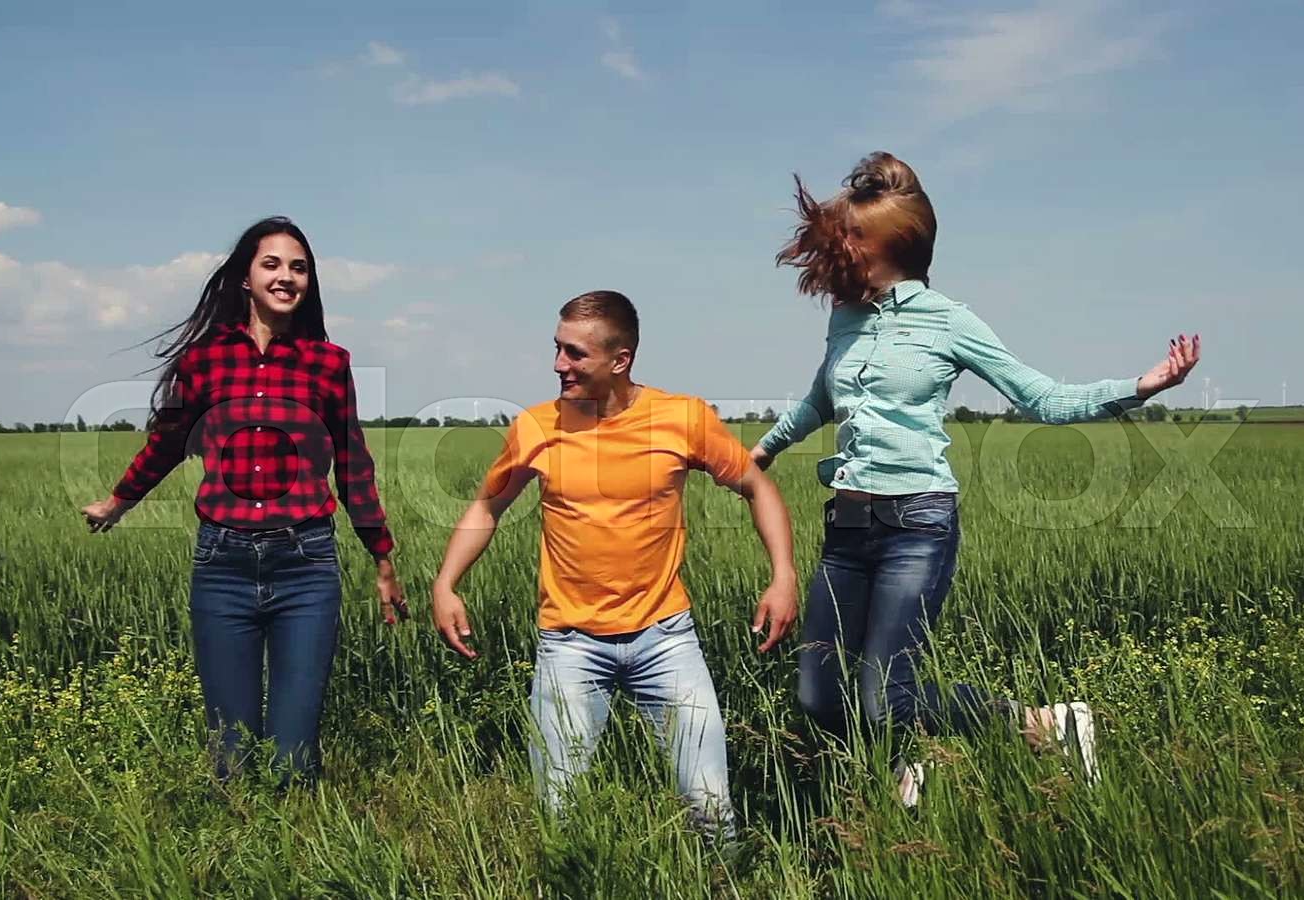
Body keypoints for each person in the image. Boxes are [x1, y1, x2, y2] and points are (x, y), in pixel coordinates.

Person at [752, 152, 1201, 802]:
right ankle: (906, 763)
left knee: (885, 698)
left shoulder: (949, 321)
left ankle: (1040, 724)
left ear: (890, 245)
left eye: (853, 237)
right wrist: (759, 453)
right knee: (819, 696)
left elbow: (1042, 398)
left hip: (917, 526)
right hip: (847, 529)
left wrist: (1141, 386)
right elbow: (819, 400)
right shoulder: (844, 319)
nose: (839, 247)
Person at [429, 290, 798, 838]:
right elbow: (488, 505)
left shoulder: (682, 418)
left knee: (712, 812)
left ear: (620, 360)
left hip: (666, 638)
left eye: (575, 354)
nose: (558, 365)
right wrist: (445, 583)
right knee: (562, 818)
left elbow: (756, 486)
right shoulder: (536, 426)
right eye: (557, 349)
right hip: (570, 643)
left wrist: (783, 574)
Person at [81, 216, 405, 785]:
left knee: (292, 759)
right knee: (230, 754)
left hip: (305, 564)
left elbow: (352, 460)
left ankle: (296, 861)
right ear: (245, 280)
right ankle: (234, 855)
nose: (287, 277)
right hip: (222, 565)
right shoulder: (204, 361)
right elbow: (168, 443)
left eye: (298, 267)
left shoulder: (329, 363)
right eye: (272, 264)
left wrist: (381, 556)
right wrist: (118, 501)